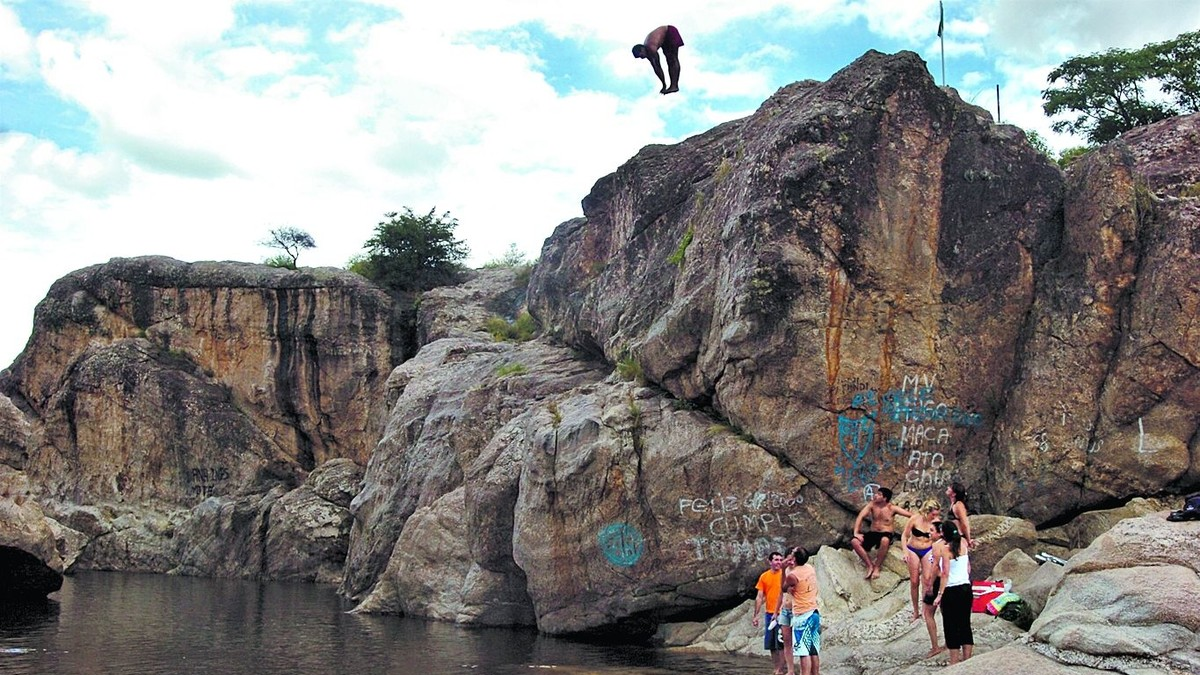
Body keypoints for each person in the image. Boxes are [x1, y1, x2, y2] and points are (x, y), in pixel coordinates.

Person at [932, 521, 974, 665]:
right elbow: (968, 568)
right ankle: (967, 659)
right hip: (966, 589)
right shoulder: (963, 545)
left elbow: (945, 574)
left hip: (951, 590)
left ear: (944, 534)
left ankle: (954, 662)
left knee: (951, 626)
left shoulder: (945, 549)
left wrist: (939, 594)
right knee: (964, 624)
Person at [849, 487, 910, 580]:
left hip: (886, 533)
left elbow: (911, 515)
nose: (875, 495)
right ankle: (870, 565)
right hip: (873, 533)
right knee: (854, 541)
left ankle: (877, 567)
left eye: (879, 494)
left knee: (885, 540)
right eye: (876, 494)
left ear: (884, 498)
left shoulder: (892, 508)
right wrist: (856, 532)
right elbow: (860, 517)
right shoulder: (872, 505)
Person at [780, 546, 820, 675]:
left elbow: (783, 588)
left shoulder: (793, 575)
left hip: (802, 614)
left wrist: (782, 570)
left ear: (795, 558)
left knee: (803, 651)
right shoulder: (810, 568)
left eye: (792, 554)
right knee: (813, 649)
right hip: (813, 612)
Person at [900, 499, 941, 621]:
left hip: (928, 549)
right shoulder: (915, 519)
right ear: (927, 512)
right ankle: (915, 611)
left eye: (937, 514)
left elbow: (939, 539)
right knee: (914, 581)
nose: (935, 516)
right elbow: (904, 535)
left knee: (927, 579)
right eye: (933, 514)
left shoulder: (936, 523)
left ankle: (925, 610)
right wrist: (905, 551)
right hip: (913, 548)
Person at [752, 551, 787, 675]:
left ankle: (781, 669)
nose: (779, 562)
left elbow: (787, 594)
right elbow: (759, 597)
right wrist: (755, 615)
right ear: (770, 561)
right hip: (769, 614)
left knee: (781, 643)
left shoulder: (784, 574)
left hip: (782, 613)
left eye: (780, 560)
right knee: (771, 643)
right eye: (776, 560)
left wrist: (780, 611)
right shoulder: (764, 576)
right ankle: (776, 667)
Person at [632, 25, 684, 94]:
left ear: (642, 49)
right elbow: (656, 68)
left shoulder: (651, 47)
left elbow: (658, 65)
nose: (642, 58)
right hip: (664, 38)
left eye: (640, 56)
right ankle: (673, 86)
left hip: (669, 31)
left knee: (672, 59)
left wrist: (664, 85)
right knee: (669, 59)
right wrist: (663, 84)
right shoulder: (647, 52)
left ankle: (674, 86)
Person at [921, 519, 946, 658]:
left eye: (931, 531)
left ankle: (935, 646)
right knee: (945, 612)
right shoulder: (948, 544)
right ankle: (949, 642)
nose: (928, 533)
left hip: (937, 582)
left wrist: (929, 585)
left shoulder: (937, 546)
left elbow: (936, 569)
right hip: (946, 582)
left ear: (939, 533)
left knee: (928, 613)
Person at [946, 482, 973, 548]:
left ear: (954, 494)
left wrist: (968, 539)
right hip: (952, 537)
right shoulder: (953, 503)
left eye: (950, 488)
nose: (947, 488)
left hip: (958, 537)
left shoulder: (959, 505)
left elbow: (964, 523)